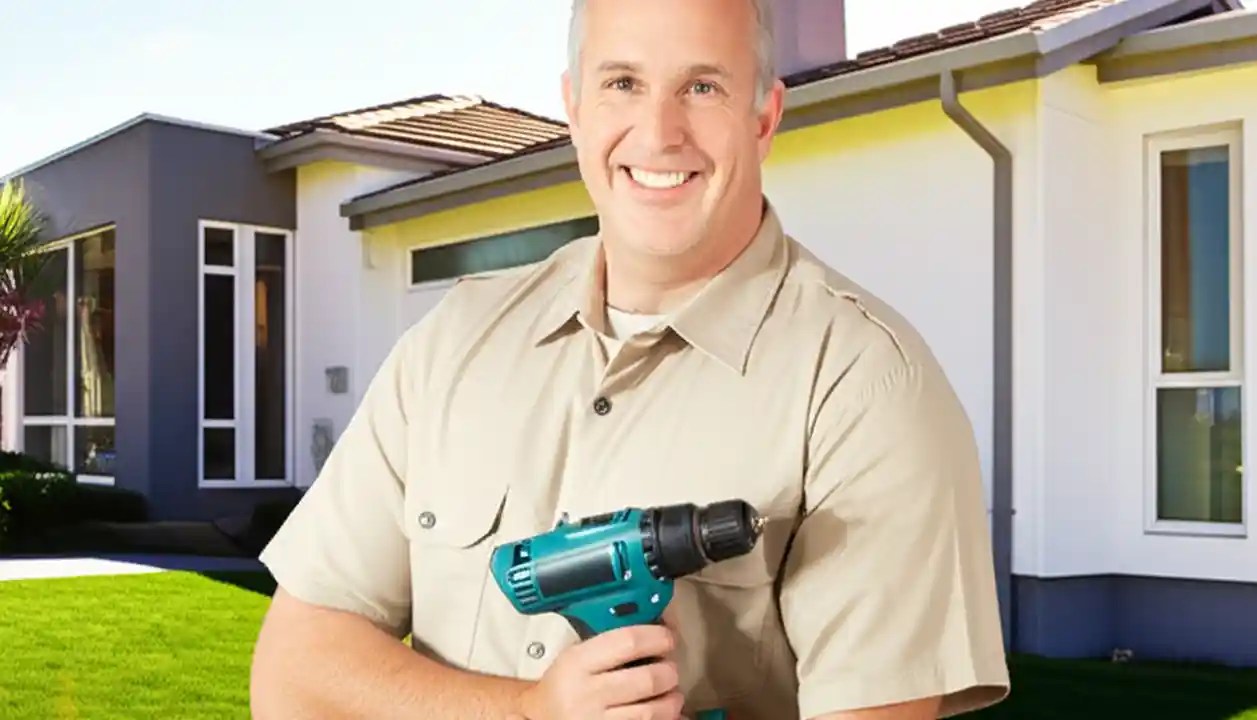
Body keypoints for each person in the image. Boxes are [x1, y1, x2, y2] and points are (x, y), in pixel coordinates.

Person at [248, 0, 1011, 717]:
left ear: (764, 118)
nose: (659, 132)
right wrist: (525, 710)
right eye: (622, 83)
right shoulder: (454, 341)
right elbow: (292, 678)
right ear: (574, 108)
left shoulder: (865, 385)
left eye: (702, 87)